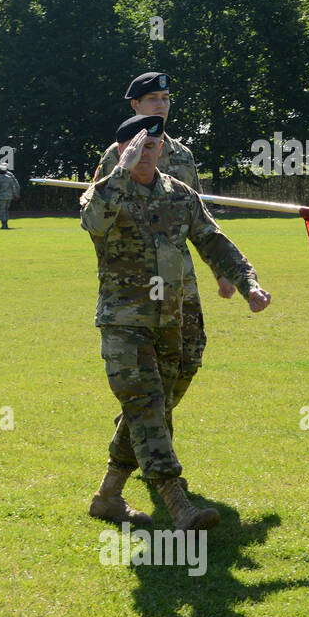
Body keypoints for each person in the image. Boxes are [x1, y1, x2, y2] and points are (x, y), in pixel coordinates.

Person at [80, 115, 271, 530]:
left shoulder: (180, 195)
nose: (145, 154)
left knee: (153, 407)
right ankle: (177, 502)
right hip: (124, 321)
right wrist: (121, 170)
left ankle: (108, 495)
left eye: (152, 146)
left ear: (163, 149)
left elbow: (213, 241)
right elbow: (93, 222)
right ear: (119, 151)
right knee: (146, 405)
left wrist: (248, 284)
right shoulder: (105, 192)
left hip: (172, 321)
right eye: (135, 147)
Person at [93, 71, 234, 419]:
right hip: (138, 279)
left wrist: (222, 270)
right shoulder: (117, 154)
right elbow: (98, 216)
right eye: (153, 99)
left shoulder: (183, 155)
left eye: (166, 99)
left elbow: (200, 219)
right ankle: (144, 435)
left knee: (189, 357)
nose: (161, 105)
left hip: (180, 276)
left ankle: (137, 425)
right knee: (147, 367)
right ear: (136, 105)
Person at [0, 161, 19, 228]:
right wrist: (15, 194)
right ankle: (6, 223)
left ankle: (4, 224)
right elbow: (13, 186)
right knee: (6, 210)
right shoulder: (9, 177)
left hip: (1, 197)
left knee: (1, 210)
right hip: (9, 196)